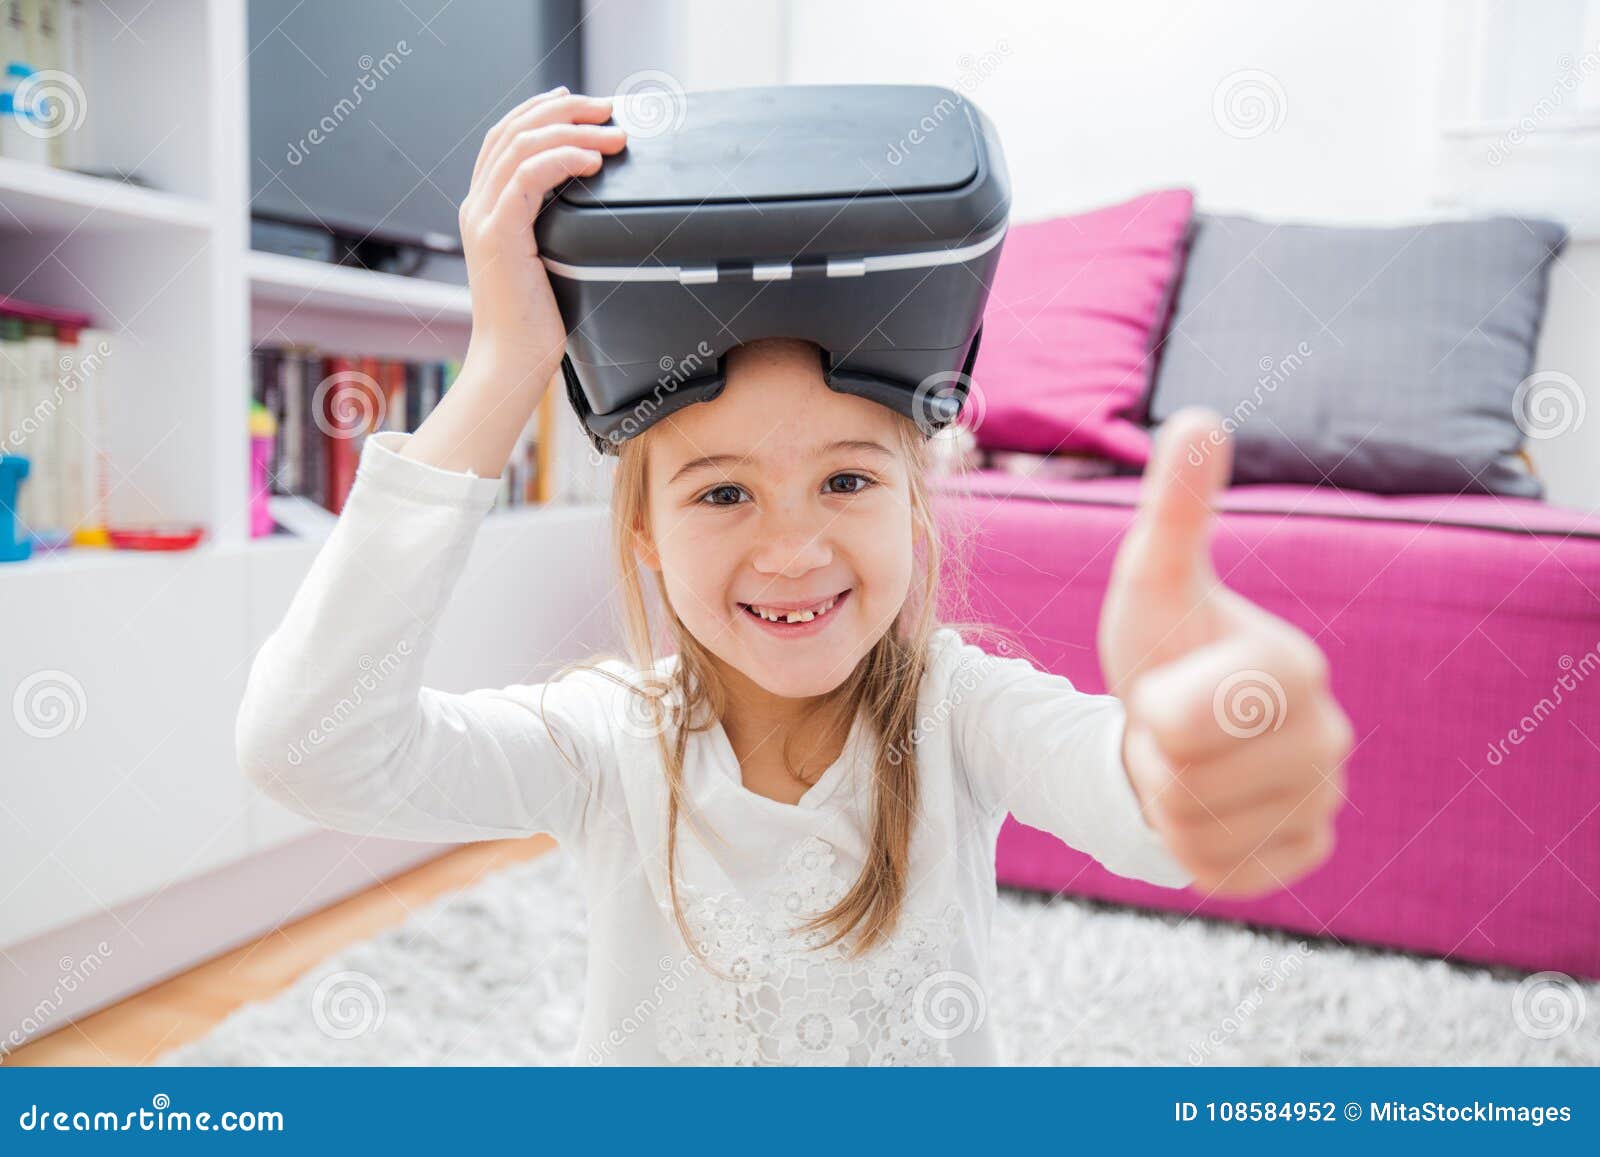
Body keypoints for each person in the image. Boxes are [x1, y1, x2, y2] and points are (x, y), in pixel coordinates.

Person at [235, 87, 1354, 1066]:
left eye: (847, 483)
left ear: (914, 508)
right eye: (721, 493)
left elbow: (1142, 801)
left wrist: (1199, 761)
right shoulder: (602, 739)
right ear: (643, 536)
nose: (791, 550)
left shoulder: (957, 711)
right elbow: (314, 749)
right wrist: (502, 365)